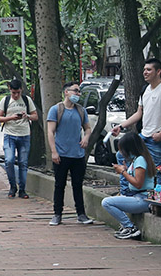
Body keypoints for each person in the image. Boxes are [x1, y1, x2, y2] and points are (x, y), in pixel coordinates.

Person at [110, 58, 161, 191]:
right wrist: (121, 126)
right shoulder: (145, 90)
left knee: (157, 170)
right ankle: (126, 191)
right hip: (143, 136)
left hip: (157, 138)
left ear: (158, 72)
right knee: (121, 155)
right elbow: (139, 113)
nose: (145, 72)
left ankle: (158, 197)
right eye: (144, 70)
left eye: (149, 70)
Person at [46, 83, 94, 225]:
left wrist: (86, 138)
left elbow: (88, 128)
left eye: (79, 92)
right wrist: (54, 152)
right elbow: (50, 132)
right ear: (66, 92)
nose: (78, 94)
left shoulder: (81, 111)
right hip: (61, 154)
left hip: (78, 154)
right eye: (75, 91)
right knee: (59, 185)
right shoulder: (56, 109)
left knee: (77, 185)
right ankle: (57, 214)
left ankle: (81, 214)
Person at [101, 132, 156, 240]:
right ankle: (126, 226)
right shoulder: (137, 159)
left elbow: (138, 184)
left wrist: (123, 172)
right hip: (138, 196)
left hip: (143, 198)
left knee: (107, 202)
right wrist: (125, 169)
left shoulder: (140, 160)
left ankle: (130, 227)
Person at [0, 78, 38, 198]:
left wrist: (27, 116)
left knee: (23, 163)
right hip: (9, 135)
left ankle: (22, 189)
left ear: (21, 90)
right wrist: (11, 117)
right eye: (13, 93)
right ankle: (13, 186)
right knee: (9, 160)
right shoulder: (5, 100)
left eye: (18, 92)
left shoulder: (26, 100)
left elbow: (35, 116)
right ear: (10, 90)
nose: (16, 95)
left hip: (24, 135)